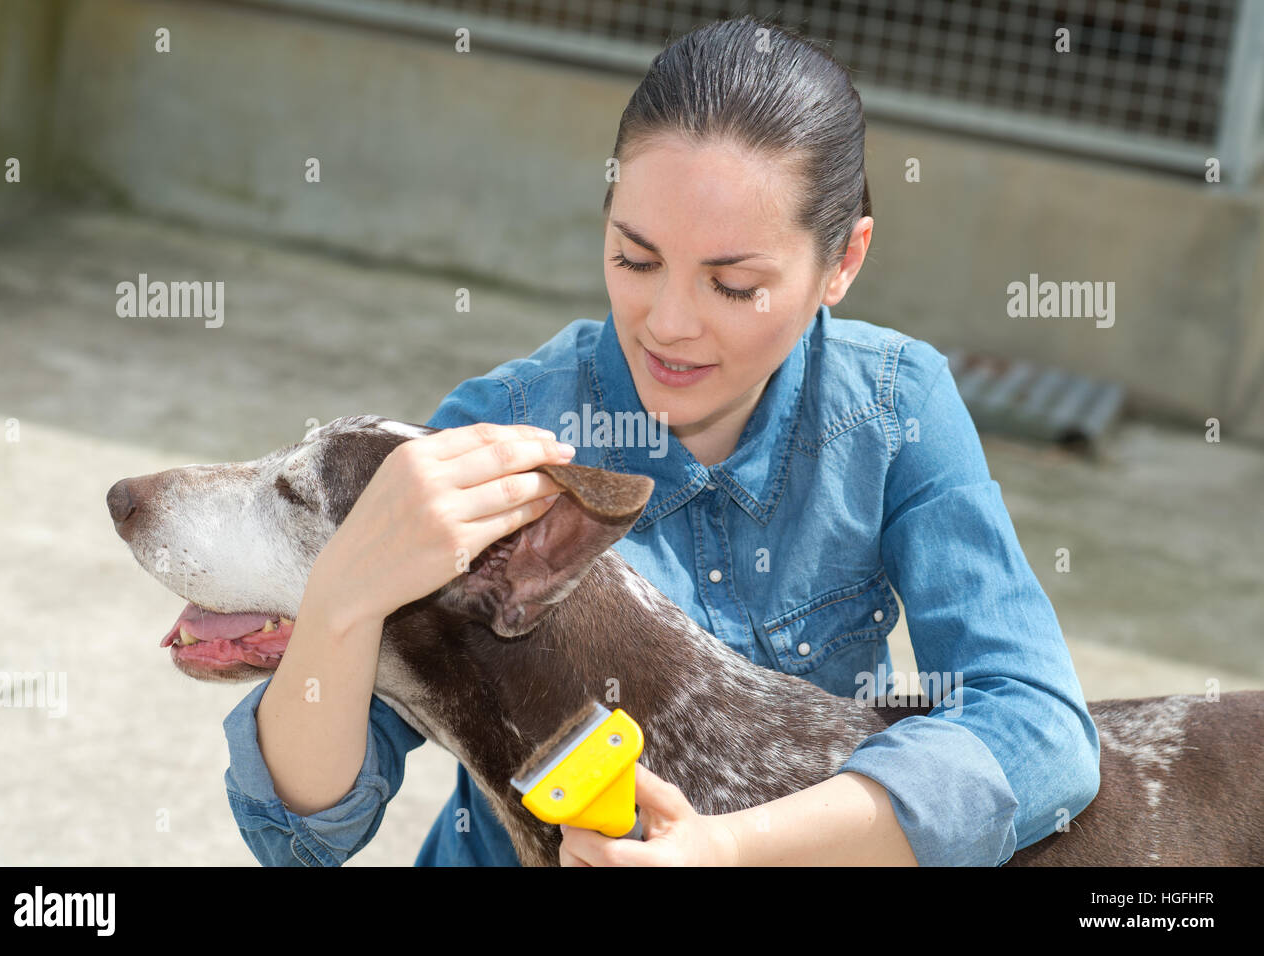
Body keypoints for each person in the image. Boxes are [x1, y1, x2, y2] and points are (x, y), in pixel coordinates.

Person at [221, 14, 1100, 866]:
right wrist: (340, 601)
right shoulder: (502, 431)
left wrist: (733, 850)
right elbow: (301, 833)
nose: (668, 324)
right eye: (636, 260)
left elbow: (1041, 729)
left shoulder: (895, 406)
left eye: (734, 284)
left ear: (844, 263)